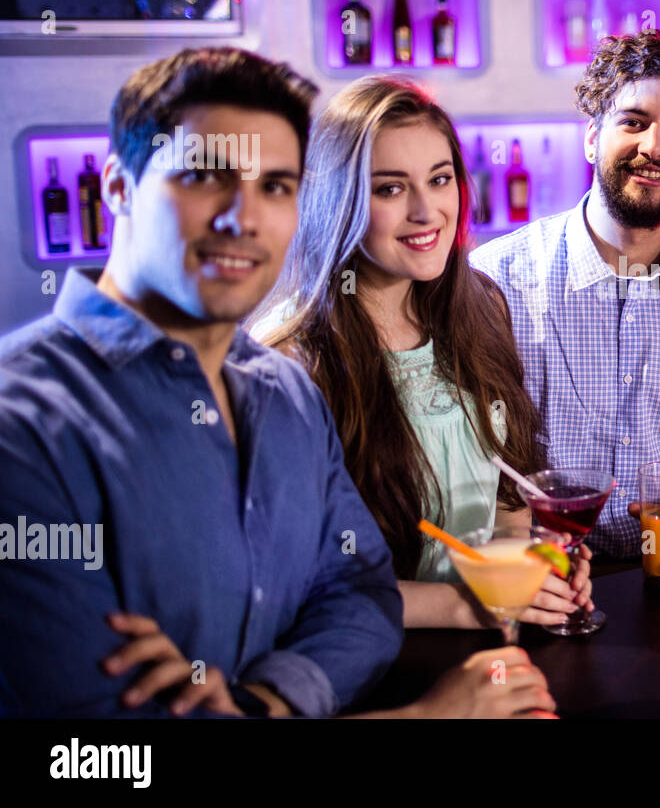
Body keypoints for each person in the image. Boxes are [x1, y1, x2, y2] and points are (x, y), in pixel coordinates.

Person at [0, 48, 553, 718]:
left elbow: (358, 596)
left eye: (275, 186)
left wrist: (264, 700)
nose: (246, 216)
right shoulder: (23, 422)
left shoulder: (277, 396)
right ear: (117, 186)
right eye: (208, 175)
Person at [253, 74, 592, 629]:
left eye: (440, 179)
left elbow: (506, 503)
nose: (427, 210)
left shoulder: (481, 306)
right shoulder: (288, 361)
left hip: (488, 652)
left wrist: (529, 566)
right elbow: (288, 580)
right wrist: (466, 606)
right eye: (390, 188)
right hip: (364, 671)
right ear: (339, 200)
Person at [470, 31, 660, 578]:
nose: (654, 146)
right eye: (633, 121)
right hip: (537, 583)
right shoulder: (496, 279)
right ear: (591, 139)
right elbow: (471, 463)